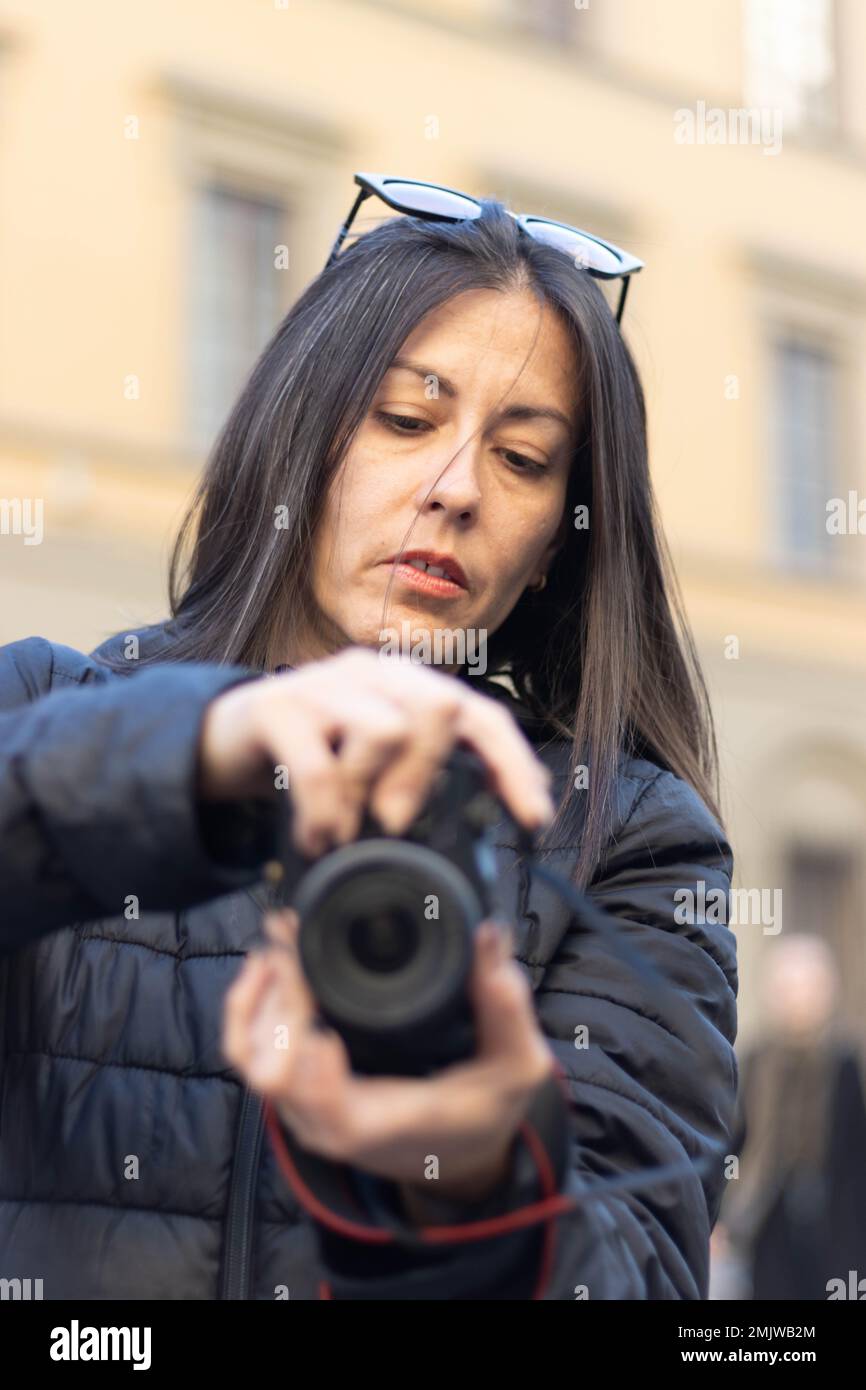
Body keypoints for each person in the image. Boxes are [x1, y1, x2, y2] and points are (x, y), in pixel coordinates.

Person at [0, 179, 737, 1299]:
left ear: (553, 545)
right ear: (304, 432)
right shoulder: (50, 708)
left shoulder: (624, 837)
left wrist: (477, 1187)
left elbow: (636, 1280)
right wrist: (188, 761)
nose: (453, 489)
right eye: (406, 418)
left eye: (524, 460)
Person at [718, 934, 866, 1300]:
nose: (796, 1000)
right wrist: (719, 1218)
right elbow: (734, 1141)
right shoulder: (757, 1061)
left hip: (841, 1222)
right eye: (787, 988)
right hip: (770, 1216)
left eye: (806, 988)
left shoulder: (850, 1063)